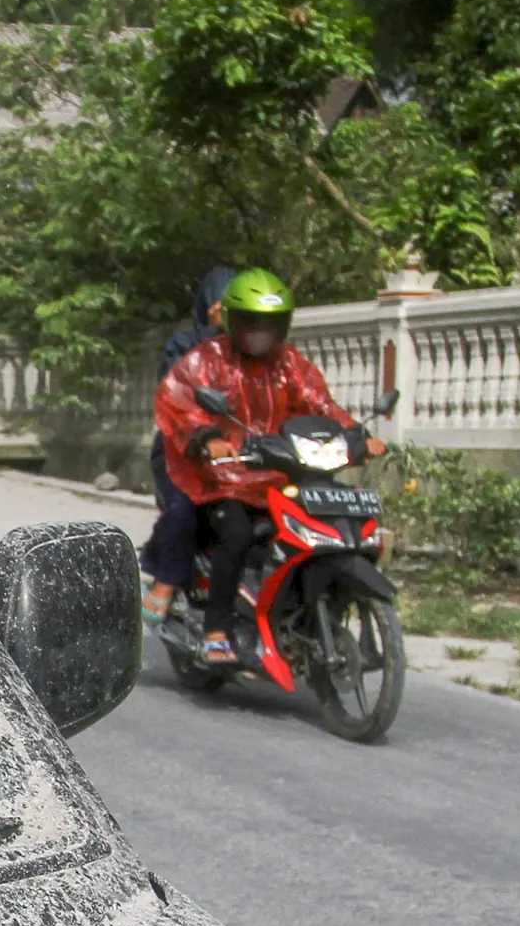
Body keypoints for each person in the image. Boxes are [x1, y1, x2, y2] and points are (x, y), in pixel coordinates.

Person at [154, 268, 385, 665]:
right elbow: (180, 402)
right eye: (252, 323)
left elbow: (321, 404)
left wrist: (356, 435)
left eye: (270, 324)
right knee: (237, 532)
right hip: (224, 477)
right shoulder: (206, 360)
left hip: (280, 471)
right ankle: (216, 630)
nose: (261, 333)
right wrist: (208, 439)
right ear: (233, 321)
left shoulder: (290, 364)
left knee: (331, 521)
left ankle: (310, 611)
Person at [140, 266, 238, 620]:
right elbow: (175, 395)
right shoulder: (184, 344)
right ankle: (164, 583)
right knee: (186, 504)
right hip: (182, 450)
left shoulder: (253, 351)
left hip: (242, 453)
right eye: (222, 303)